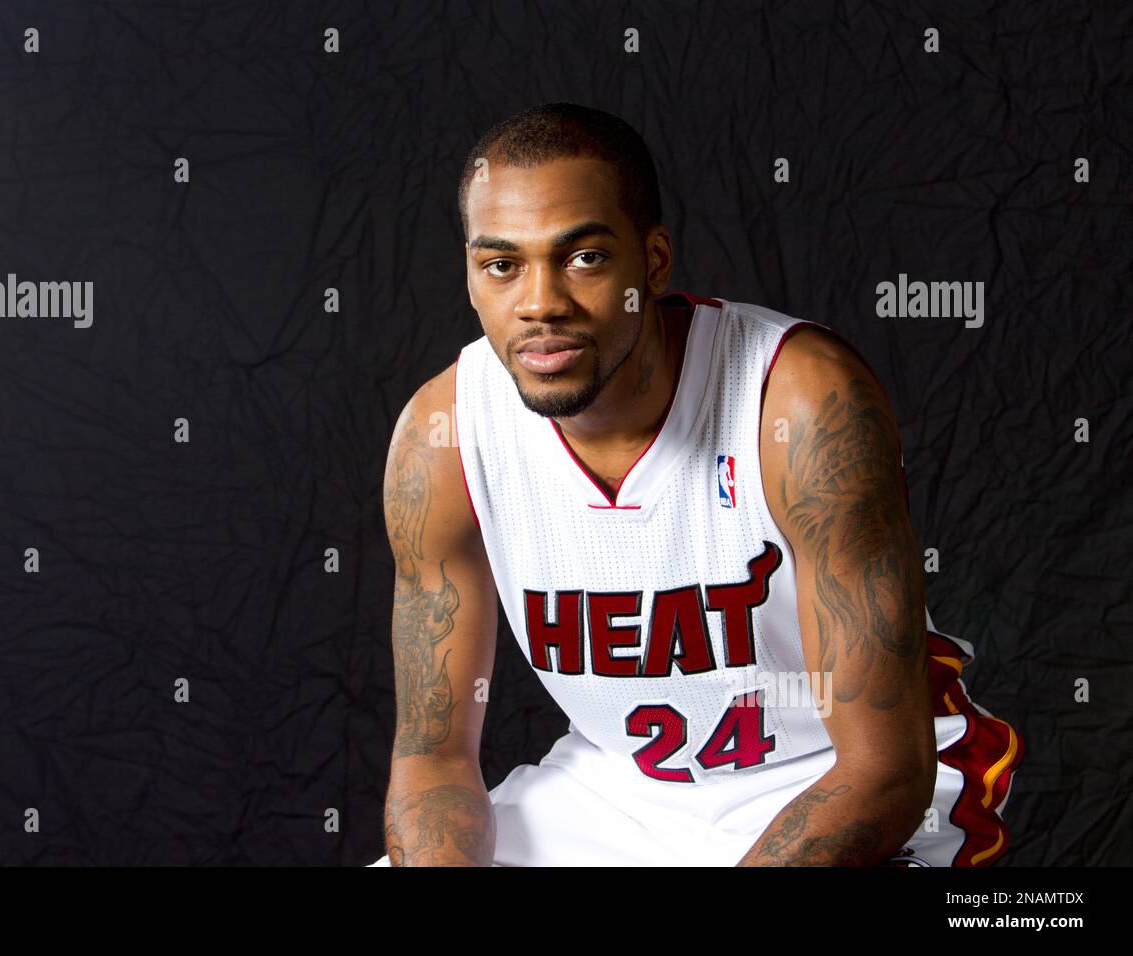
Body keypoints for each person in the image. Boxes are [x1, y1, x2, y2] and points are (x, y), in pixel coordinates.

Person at [368, 103, 1022, 866]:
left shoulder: (798, 399)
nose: (540, 302)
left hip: (837, 780)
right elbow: (434, 760)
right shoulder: (442, 437)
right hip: (621, 789)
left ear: (653, 261)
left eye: (583, 258)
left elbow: (884, 770)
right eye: (502, 265)